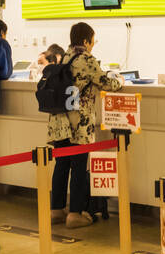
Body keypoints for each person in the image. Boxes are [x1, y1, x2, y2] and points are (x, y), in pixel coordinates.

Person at [47, 22, 123, 228]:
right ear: (85, 41)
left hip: (59, 121)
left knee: (61, 165)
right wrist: (119, 78)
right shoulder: (86, 59)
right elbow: (108, 84)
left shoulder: (64, 57)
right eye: (92, 41)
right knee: (79, 167)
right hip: (78, 124)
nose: (92, 45)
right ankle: (75, 214)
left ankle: (56, 210)